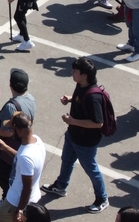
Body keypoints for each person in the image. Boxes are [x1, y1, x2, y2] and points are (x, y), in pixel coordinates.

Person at [41, 57, 109, 213]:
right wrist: (71, 99)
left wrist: (72, 120)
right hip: (73, 135)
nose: (72, 73)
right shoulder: (80, 85)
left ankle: (102, 198)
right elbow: (80, 99)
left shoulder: (93, 97)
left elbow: (98, 123)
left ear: (84, 75)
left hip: (85, 141)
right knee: (67, 160)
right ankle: (61, 186)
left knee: (91, 169)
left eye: (75, 71)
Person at [0, 68, 37, 210]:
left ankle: (7, 202)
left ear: (11, 85)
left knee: (4, 177)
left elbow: (8, 133)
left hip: (8, 149)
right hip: (22, 144)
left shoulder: (11, 107)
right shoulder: (31, 99)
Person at [0, 112, 45, 222]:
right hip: (32, 199)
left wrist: (19, 210)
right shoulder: (36, 140)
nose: (11, 132)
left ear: (20, 131)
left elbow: (27, 188)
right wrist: (6, 148)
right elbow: (21, 158)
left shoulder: (26, 157)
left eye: (12, 129)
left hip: (14, 203)